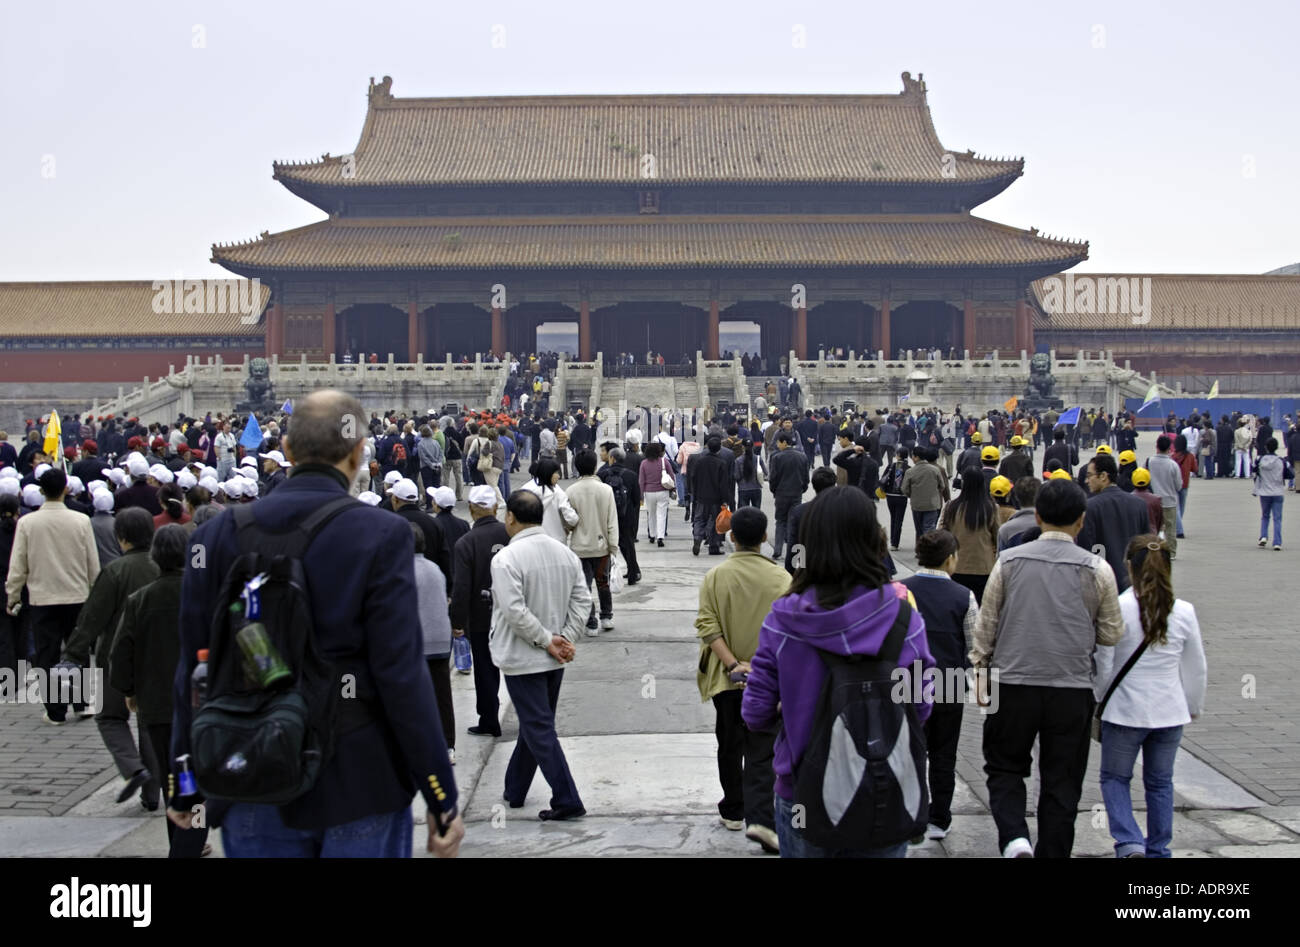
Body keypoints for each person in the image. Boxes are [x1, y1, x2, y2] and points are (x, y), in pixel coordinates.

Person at [169, 390, 463, 858]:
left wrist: (183, 781)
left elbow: (194, 669)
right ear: (358, 453)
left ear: (286, 450)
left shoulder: (214, 535)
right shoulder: (381, 534)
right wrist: (439, 792)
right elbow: (400, 675)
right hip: (360, 778)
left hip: (252, 775)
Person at [742, 486, 934, 858]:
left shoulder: (784, 620)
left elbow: (755, 714)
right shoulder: (904, 619)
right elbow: (922, 708)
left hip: (803, 792)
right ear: (872, 539)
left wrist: (794, 710)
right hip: (889, 789)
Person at [970, 479, 1125, 858]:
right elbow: (1110, 633)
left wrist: (981, 675)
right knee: (1062, 780)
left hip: (1013, 683)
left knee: (1005, 768)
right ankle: (1053, 851)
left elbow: (985, 627)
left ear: (1037, 516)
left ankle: (1015, 839)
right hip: (1071, 690)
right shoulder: (1098, 569)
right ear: (1082, 520)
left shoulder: (1008, 562)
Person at [1095, 535, 1206, 858]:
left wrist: (1100, 695)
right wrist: (1193, 705)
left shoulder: (1118, 607)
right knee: (1160, 783)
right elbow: (1196, 667)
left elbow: (1104, 660)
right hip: (1170, 710)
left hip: (1124, 709)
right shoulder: (1184, 611)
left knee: (1115, 778)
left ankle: (1129, 842)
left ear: (1129, 567)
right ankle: (1159, 848)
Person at [109, 524, 208, 857]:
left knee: (171, 777)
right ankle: (188, 844)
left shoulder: (140, 599)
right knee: (197, 779)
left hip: (157, 704)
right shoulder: (205, 596)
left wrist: (128, 688)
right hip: (201, 702)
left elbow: (121, 651)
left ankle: (179, 844)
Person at [695, 506, 790, 854]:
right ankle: (762, 819)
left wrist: (735, 665)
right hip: (770, 681)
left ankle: (733, 808)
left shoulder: (716, 577)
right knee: (763, 749)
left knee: (729, 742)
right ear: (765, 537)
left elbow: (707, 626)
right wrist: (758, 668)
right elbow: (790, 635)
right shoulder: (783, 580)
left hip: (727, 679)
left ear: (731, 537)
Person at [491, 489, 590, 820]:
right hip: (553, 656)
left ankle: (567, 797)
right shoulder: (565, 554)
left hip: (523, 658)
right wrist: (565, 638)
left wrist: (549, 640)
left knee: (538, 727)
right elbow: (582, 601)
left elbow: (514, 611)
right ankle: (515, 788)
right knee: (536, 724)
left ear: (510, 517)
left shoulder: (506, 558)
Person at [64, 506, 162, 806]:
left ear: (121, 538)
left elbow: (92, 617)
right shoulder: (163, 567)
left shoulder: (115, 571)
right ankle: (151, 794)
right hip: (155, 658)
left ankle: (133, 769)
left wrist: (73, 653)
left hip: (114, 658)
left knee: (109, 717)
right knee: (149, 723)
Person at [5, 467, 100, 725]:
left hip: (42, 598)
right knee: (76, 650)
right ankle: (81, 702)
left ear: (41, 491)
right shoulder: (81, 520)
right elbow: (93, 562)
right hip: (77, 596)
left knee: (47, 655)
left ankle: (56, 710)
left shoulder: (26, 523)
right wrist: (97, 593)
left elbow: (18, 564)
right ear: (66, 489)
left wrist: (13, 595)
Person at [901, 529, 979, 842]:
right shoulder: (964, 596)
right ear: (950, 559)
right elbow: (974, 645)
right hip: (949, 682)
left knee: (910, 750)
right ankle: (939, 817)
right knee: (944, 754)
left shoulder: (900, 590)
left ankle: (911, 812)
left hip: (906, 681)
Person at [451, 486, 510, 737]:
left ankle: (489, 719)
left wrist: (457, 620)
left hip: (481, 617)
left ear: (472, 510)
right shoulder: (510, 534)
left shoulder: (466, 542)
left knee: (485, 669)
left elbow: (462, 586)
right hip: (512, 613)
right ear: (496, 508)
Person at [410, 522, 456, 763]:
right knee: (442, 694)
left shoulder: (401, 570)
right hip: (440, 640)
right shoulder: (434, 569)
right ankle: (449, 745)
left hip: (416, 643)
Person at [1078, 453, 1152, 592]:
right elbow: (1145, 546)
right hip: (1134, 583)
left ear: (1103, 476)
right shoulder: (1139, 504)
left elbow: (1086, 550)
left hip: (1104, 584)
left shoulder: (1090, 507)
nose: (1087, 481)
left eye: (1089, 476)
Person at [566, 449, 619, 634]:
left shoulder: (570, 491)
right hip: (602, 546)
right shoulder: (606, 490)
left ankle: (591, 622)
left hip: (579, 547)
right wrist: (613, 546)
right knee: (603, 582)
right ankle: (606, 616)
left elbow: (568, 522)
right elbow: (611, 521)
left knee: (584, 585)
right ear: (595, 466)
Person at [939, 464, 999, 604]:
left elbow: (942, 534)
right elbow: (997, 536)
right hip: (983, 567)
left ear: (963, 483)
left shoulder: (951, 507)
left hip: (956, 566)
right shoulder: (991, 508)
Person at [784, 467, 837, 573]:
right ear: (834, 484)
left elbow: (796, 546)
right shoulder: (845, 509)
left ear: (813, 485)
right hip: (840, 569)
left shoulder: (800, 512)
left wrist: (794, 572)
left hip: (811, 569)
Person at [766, 431, 808, 563]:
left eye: (778, 442)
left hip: (781, 493)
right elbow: (806, 477)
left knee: (780, 521)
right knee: (794, 522)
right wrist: (802, 489)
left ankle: (777, 550)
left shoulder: (777, 457)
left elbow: (773, 478)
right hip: (796, 493)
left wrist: (774, 491)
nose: (777, 445)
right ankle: (794, 554)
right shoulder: (802, 457)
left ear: (784, 442)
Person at [689, 436, 731, 557]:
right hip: (716, 498)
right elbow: (724, 484)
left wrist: (694, 494)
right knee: (714, 521)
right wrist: (725, 500)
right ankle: (713, 546)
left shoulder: (699, 461)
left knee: (699, 519)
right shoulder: (721, 463)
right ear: (719, 449)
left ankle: (697, 537)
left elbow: (694, 478)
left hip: (701, 496)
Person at [520, 458, 578, 545]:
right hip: (556, 541)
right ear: (548, 473)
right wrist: (568, 528)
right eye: (556, 473)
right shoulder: (557, 492)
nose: (558, 476)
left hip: (532, 540)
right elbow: (572, 519)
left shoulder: (526, 489)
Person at [606, 447, 642, 585]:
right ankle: (633, 573)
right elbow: (636, 499)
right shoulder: (632, 475)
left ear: (612, 458)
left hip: (609, 516)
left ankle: (609, 573)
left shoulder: (604, 475)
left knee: (612, 544)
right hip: (627, 515)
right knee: (628, 544)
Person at [1146, 435, 1182, 558]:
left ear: (1157, 447)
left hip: (1153, 500)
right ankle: (1171, 552)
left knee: (1154, 527)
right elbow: (1179, 485)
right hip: (1169, 501)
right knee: (1170, 529)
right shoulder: (1173, 465)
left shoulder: (1150, 461)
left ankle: (1154, 549)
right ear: (1169, 448)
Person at [902, 445, 949, 539]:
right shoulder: (935, 470)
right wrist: (934, 493)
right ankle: (929, 549)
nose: (912, 458)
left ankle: (920, 548)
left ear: (917, 457)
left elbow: (905, 489)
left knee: (919, 529)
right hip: (932, 504)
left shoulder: (910, 472)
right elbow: (942, 486)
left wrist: (913, 495)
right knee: (929, 529)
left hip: (917, 505)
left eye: (913, 456)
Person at [1253, 437, 1291, 550]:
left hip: (1264, 492)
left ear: (1266, 447)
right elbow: (1291, 474)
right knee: (1277, 518)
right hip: (1278, 491)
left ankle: (1263, 536)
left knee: (1265, 516)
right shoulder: (1282, 461)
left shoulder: (1260, 459)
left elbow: (1254, 470)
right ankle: (1277, 542)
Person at [640, 441, 673, 546]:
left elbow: (641, 480)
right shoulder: (664, 461)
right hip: (662, 491)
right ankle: (660, 537)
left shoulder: (644, 463)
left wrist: (641, 495)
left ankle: (652, 535)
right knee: (661, 514)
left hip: (649, 492)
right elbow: (672, 476)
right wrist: (673, 488)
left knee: (651, 514)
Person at [997, 477, 1040, 552]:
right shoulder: (1048, 527)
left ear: (1016, 497)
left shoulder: (1005, 529)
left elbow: (1001, 560)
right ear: (1039, 496)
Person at [881, 446, 910, 550]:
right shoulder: (909, 468)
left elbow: (883, 479)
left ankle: (893, 541)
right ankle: (895, 543)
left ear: (898, 455)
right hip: (902, 497)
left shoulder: (891, 466)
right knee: (899, 519)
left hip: (890, 496)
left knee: (893, 518)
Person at [1170, 434, 1197, 540]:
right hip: (1185, 484)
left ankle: (1177, 527)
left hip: (1174, 484)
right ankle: (1179, 530)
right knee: (1181, 508)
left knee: (1176, 508)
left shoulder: (1173, 456)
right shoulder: (1190, 456)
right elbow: (1194, 469)